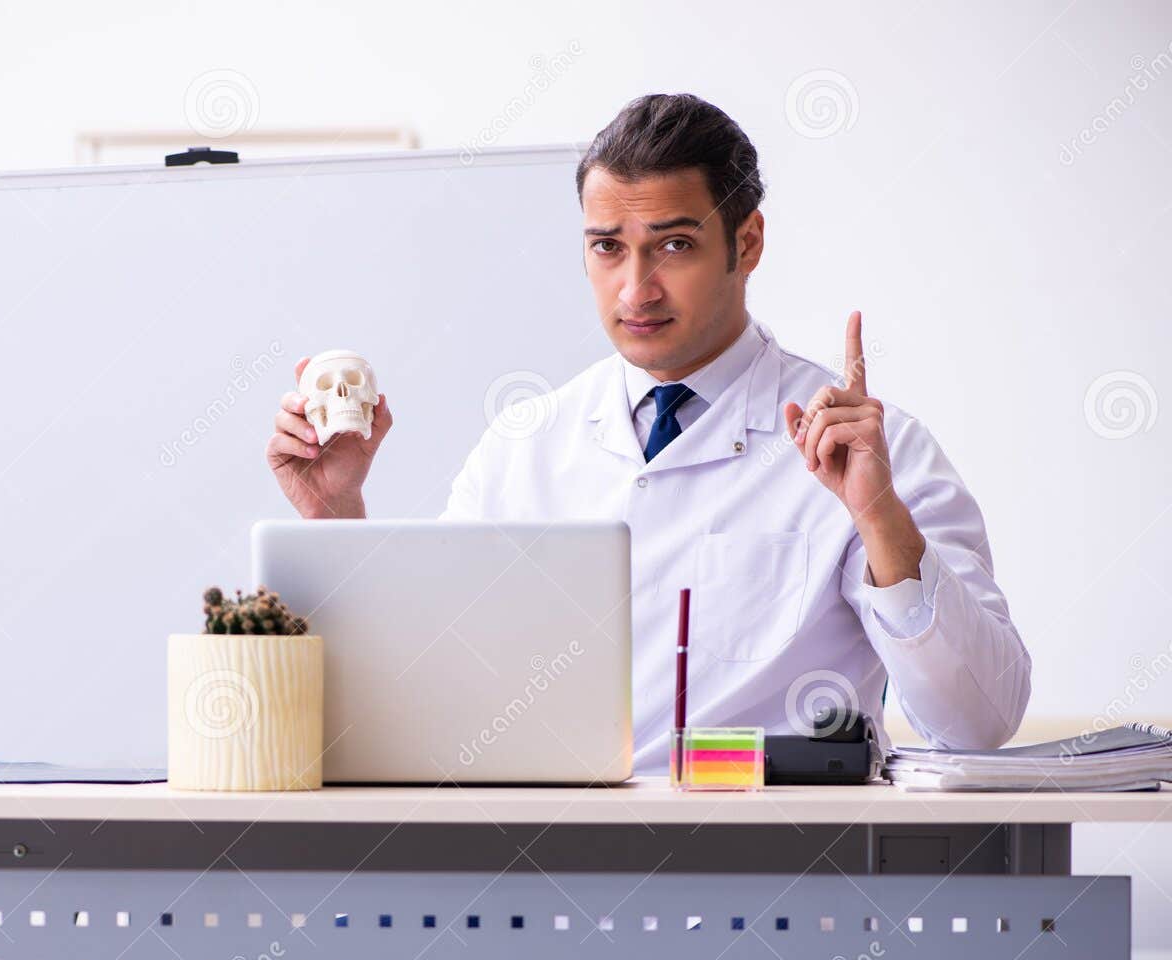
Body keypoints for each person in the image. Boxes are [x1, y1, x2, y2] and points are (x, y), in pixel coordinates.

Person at [266, 93, 1029, 772]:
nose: (636, 290)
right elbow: (424, 694)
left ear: (747, 243)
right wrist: (335, 517)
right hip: (542, 861)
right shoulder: (523, 447)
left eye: (674, 245)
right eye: (608, 247)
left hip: (771, 863)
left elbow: (980, 721)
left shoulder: (870, 454)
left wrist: (878, 517)